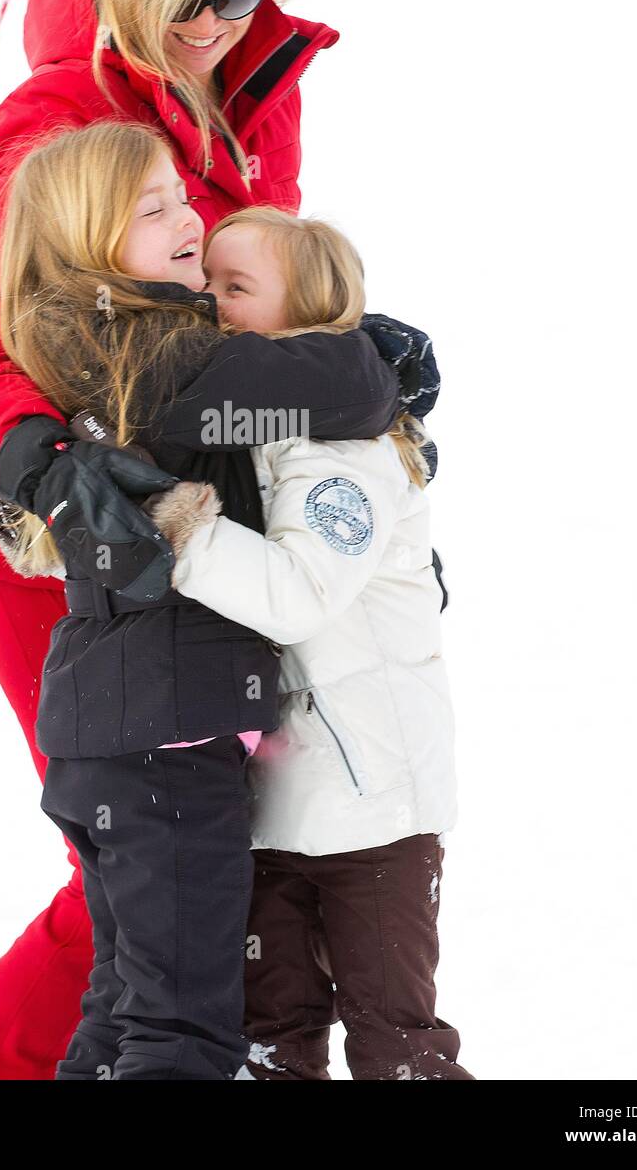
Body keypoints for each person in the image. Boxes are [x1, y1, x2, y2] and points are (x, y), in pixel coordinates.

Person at [0, 0, 347, 1079]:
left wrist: (358, 362)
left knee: (185, 872)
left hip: (198, 540)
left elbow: (256, 296)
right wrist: (39, 459)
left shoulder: (259, 83)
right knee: (131, 871)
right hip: (61, 548)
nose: (221, 20)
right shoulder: (62, 111)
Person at [0, 119, 440, 1078]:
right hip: (168, 735)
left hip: (104, 729)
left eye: (183, 196)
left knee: (121, 1006)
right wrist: (370, 361)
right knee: (185, 1027)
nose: (188, 219)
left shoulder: (93, 352)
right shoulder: (168, 368)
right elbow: (334, 395)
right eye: (155, 210)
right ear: (94, 243)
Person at [144, 206, 475, 1080]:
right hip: (275, 804)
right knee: (271, 1044)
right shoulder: (253, 437)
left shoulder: (345, 451)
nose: (209, 302)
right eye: (206, 281)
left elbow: (295, 594)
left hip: (373, 805)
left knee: (398, 1045)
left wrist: (174, 529)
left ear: (308, 320)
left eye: (236, 287)